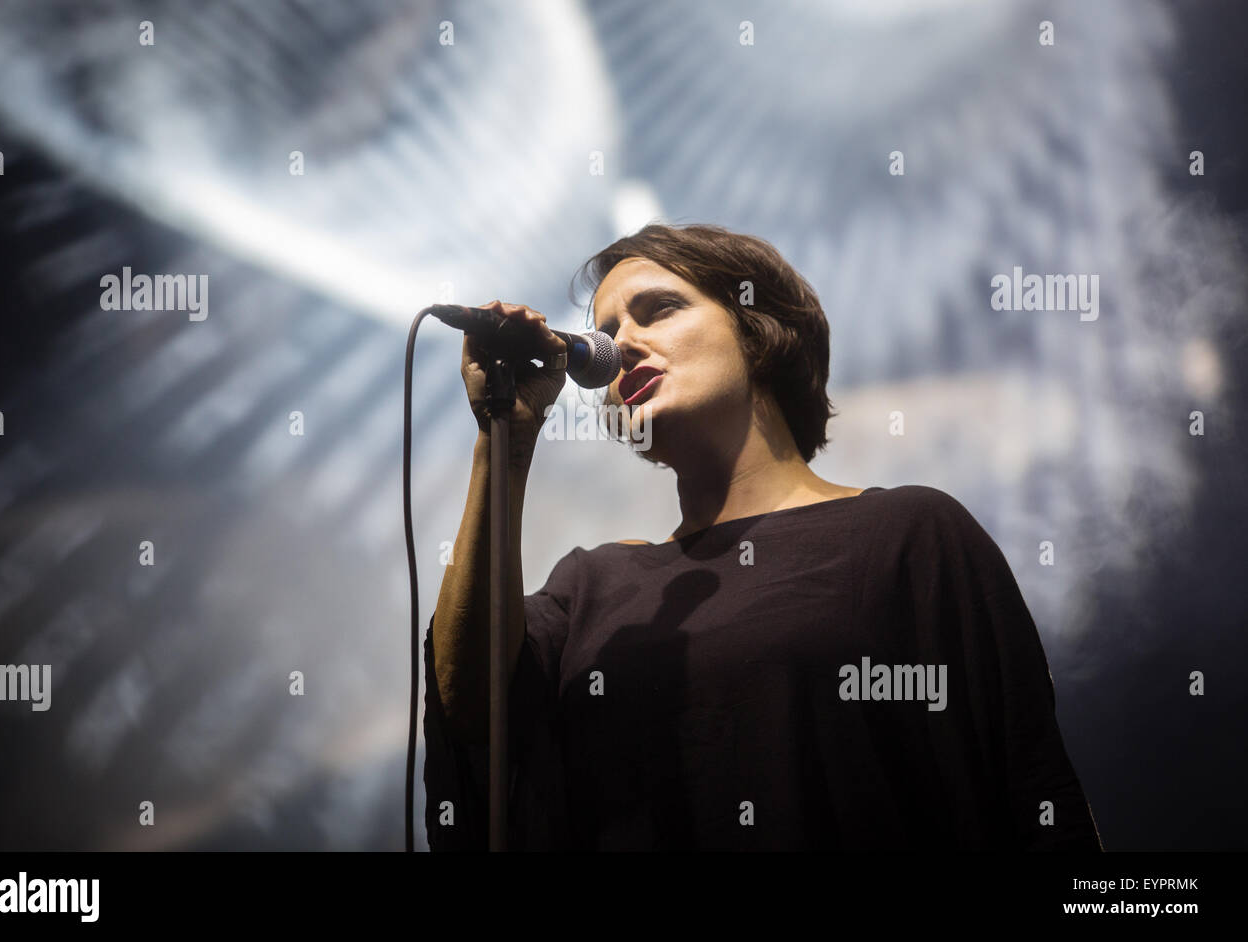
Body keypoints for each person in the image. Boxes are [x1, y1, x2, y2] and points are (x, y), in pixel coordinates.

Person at [423, 222, 1102, 851]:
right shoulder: (591, 588)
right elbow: (471, 707)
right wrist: (506, 439)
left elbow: (1030, 787)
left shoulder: (909, 535)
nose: (619, 345)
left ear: (759, 331)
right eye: (605, 331)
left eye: (659, 310)